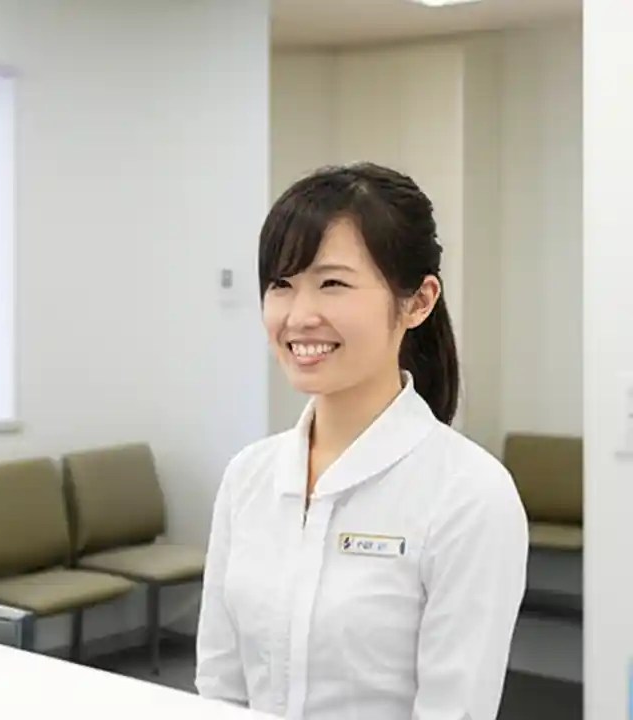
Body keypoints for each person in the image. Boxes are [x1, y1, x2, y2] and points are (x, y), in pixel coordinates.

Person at [194, 163, 529, 720]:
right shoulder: (247, 477)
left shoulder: (470, 496)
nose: (299, 316)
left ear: (418, 302)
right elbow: (220, 687)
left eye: (333, 284)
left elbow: (454, 710)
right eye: (281, 285)